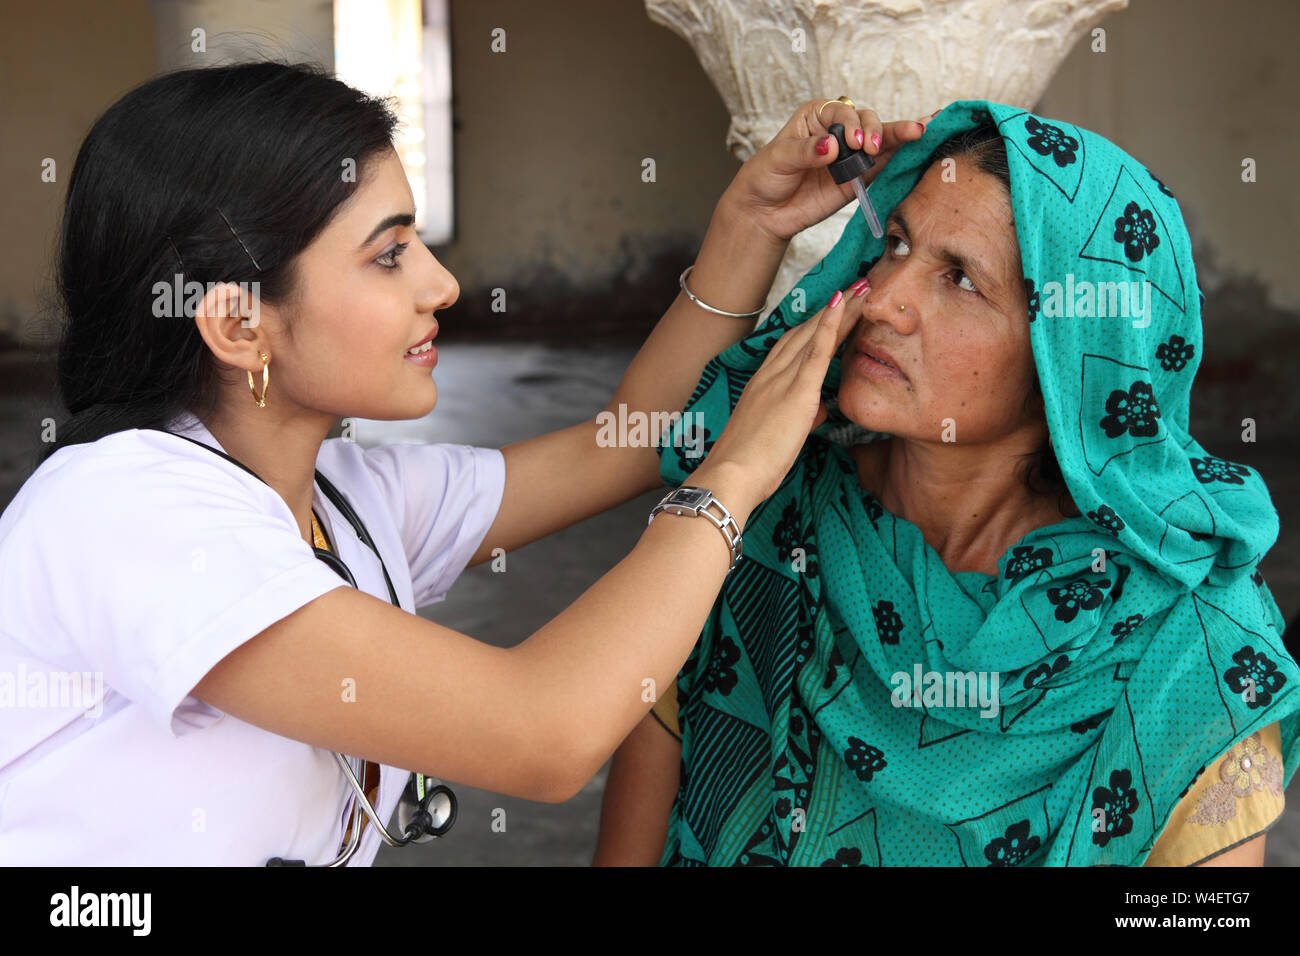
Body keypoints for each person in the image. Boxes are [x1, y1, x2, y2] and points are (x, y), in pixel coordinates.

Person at [0, 61, 925, 865]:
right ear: (240, 324)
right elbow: (545, 733)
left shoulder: (348, 502)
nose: (440, 286)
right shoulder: (124, 515)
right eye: (389, 256)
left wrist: (748, 229)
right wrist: (733, 479)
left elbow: (633, 439)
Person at [594, 101, 1300, 867]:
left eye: (960, 278)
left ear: (1071, 357)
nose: (887, 301)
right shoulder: (743, 520)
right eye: (894, 245)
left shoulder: (1194, 650)